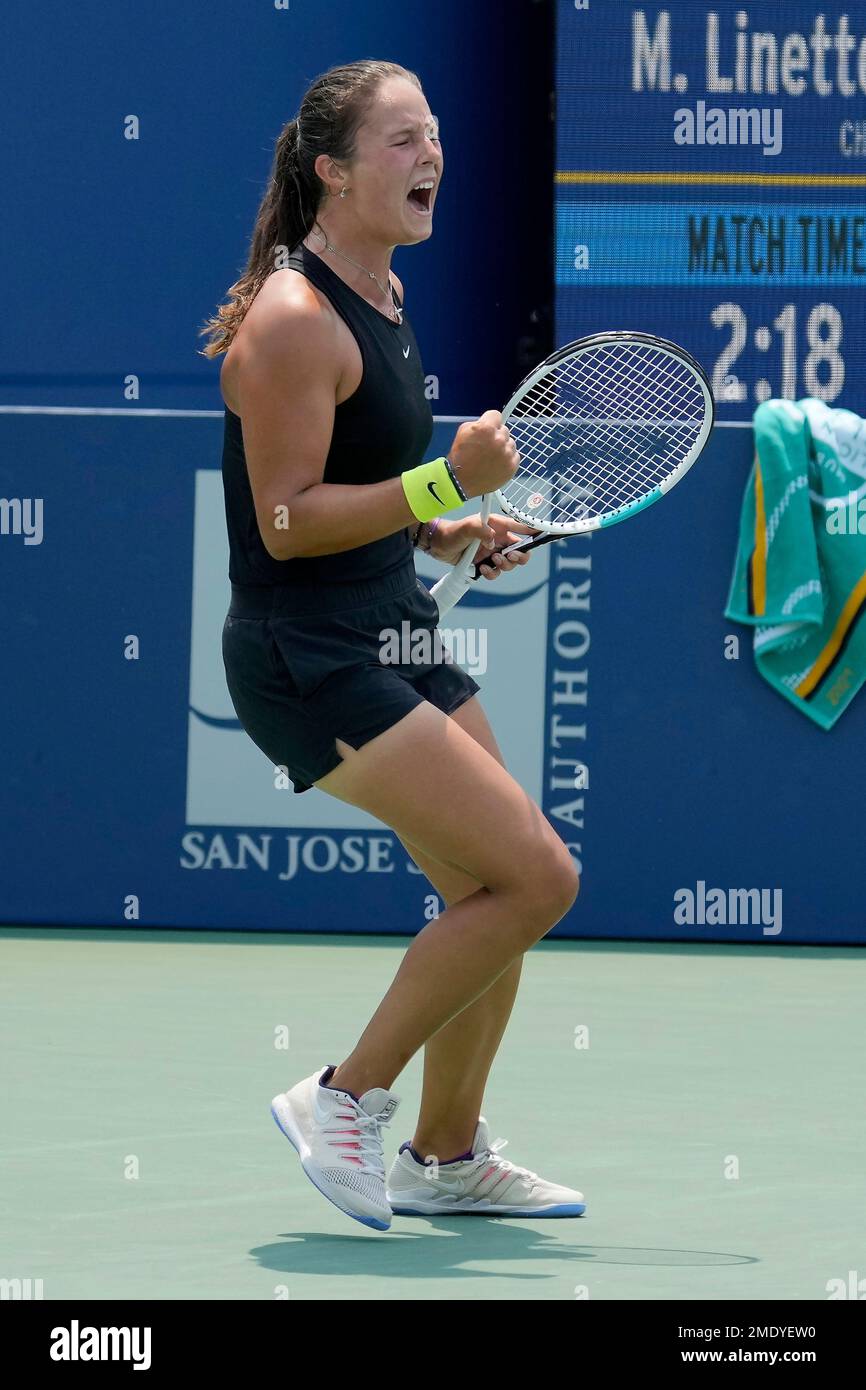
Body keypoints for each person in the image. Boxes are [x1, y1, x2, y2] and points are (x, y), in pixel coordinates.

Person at [199, 59, 583, 1231]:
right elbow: (285, 518)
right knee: (538, 876)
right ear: (332, 169)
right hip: (303, 655)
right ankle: (343, 1097)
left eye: (436, 138)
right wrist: (440, 474)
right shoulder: (291, 319)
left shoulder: (386, 302)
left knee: (491, 889)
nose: (434, 159)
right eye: (404, 141)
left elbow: (365, 487)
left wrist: (449, 521)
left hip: (393, 629)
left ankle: (445, 1155)